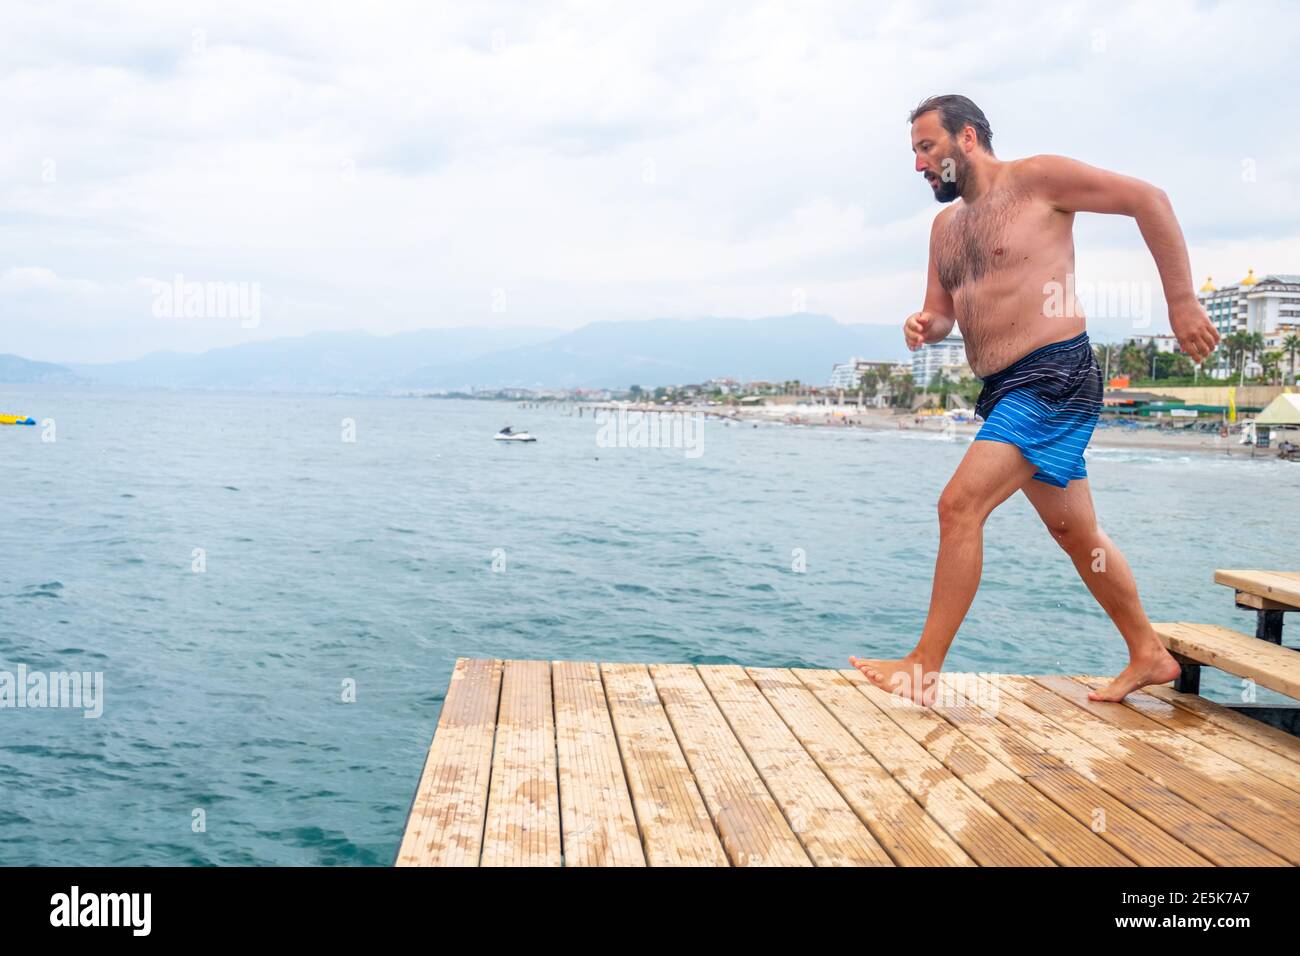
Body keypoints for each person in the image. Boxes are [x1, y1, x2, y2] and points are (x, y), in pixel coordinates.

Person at [850, 94, 1219, 705]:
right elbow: (944, 315)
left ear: (966, 138)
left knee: (958, 506)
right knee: (1077, 532)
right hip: (1001, 390)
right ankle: (1149, 653)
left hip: (1053, 373)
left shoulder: (1038, 181)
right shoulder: (945, 228)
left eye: (926, 147)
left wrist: (1181, 302)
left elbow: (1148, 199)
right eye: (914, 151)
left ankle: (923, 665)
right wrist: (924, 325)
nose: (918, 164)